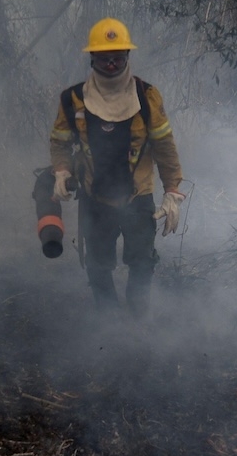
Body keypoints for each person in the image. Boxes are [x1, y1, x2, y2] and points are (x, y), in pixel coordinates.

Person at [49, 18, 184, 316]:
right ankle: (108, 325)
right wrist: (61, 170)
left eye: (118, 58)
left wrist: (172, 189)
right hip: (94, 199)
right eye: (104, 59)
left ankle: (137, 320)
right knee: (98, 266)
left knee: (142, 263)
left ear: (127, 58)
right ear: (92, 58)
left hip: (138, 198)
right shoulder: (73, 100)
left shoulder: (147, 97)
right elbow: (59, 143)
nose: (111, 65)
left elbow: (165, 146)